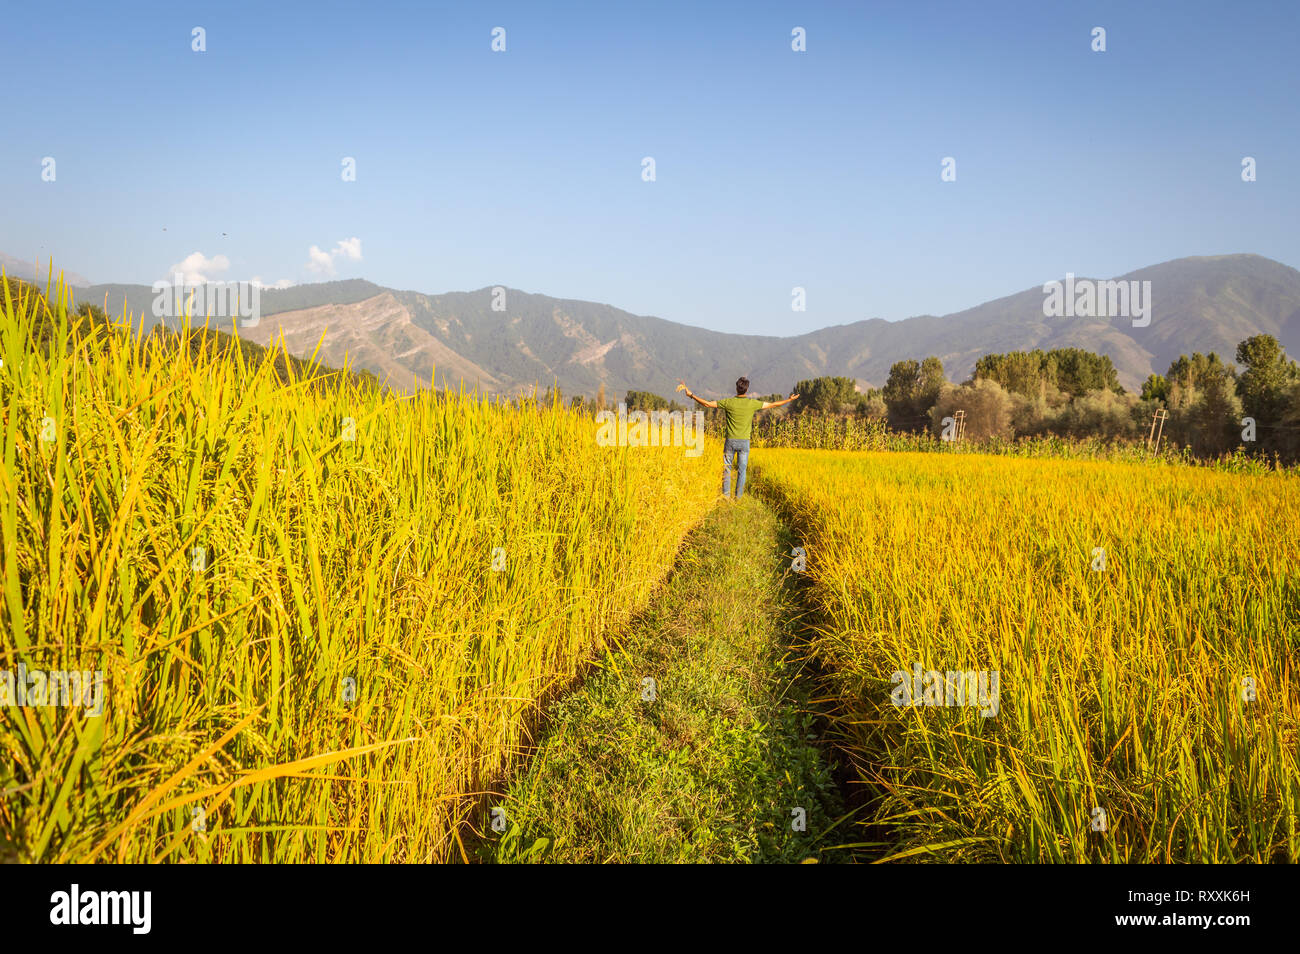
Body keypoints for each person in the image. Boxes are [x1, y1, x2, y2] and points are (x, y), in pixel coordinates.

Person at [676, 376, 798, 500]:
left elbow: (707, 404)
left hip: (730, 441)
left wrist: (691, 395)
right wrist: (789, 399)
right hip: (744, 442)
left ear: (736, 388)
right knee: (742, 470)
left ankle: (726, 497)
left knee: (727, 468)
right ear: (747, 389)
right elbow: (773, 405)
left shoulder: (728, 402)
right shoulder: (752, 403)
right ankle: (738, 497)